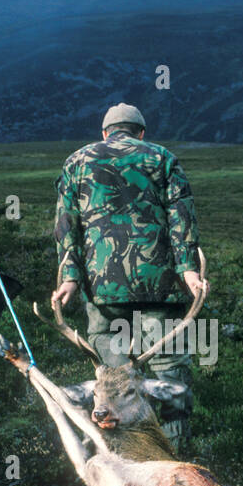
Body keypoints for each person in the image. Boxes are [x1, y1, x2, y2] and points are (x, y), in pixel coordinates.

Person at [51, 103, 207, 451]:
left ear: (104, 133)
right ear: (141, 132)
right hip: (161, 284)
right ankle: (175, 453)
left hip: (102, 286)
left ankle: (119, 455)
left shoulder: (76, 162)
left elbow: (67, 225)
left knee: (114, 378)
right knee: (169, 368)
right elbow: (182, 217)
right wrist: (188, 270)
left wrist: (70, 277)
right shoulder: (162, 158)